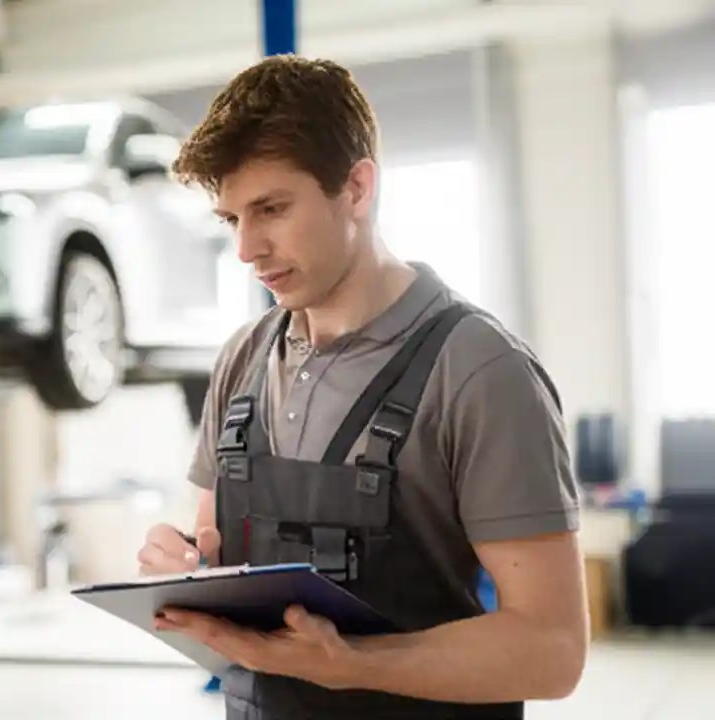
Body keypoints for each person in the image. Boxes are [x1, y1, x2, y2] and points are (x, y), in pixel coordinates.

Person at [136, 55, 588, 719]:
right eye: (232, 219)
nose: (247, 249)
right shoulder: (243, 360)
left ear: (356, 187)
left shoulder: (480, 373)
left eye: (272, 208)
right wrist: (176, 565)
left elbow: (552, 651)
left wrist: (354, 666)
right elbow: (214, 545)